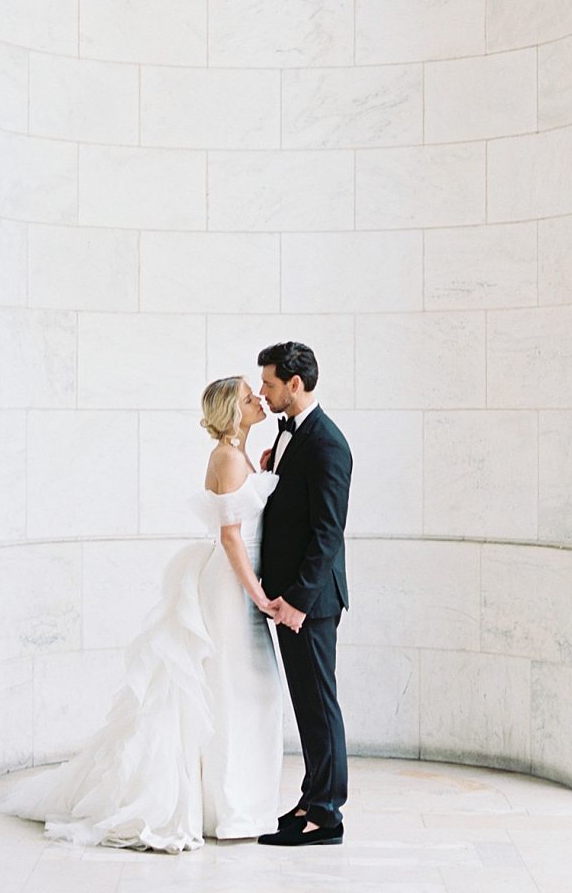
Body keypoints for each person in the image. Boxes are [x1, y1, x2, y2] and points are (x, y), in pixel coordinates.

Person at [0, 376, 283, 852]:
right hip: (232, 586)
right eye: (246, 396)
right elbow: (231, 536)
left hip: (234, 581)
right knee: (232, 689)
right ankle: (229, 808)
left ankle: (234, 804)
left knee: (243, 689)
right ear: (231, 412)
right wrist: (257, 594)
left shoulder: (239, 455)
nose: (257, 398)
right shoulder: (230, 458)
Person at [255, 340, 353, 848]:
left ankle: (326, 815)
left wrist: (297, 600)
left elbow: (327, 533)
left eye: (269, 384)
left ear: (295, 384)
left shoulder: (328, 443)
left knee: (319, 703)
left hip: (310, 602)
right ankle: (309, 799)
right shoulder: (290, 433)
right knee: (307, 704)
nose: (263, 392)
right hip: (291, 597)